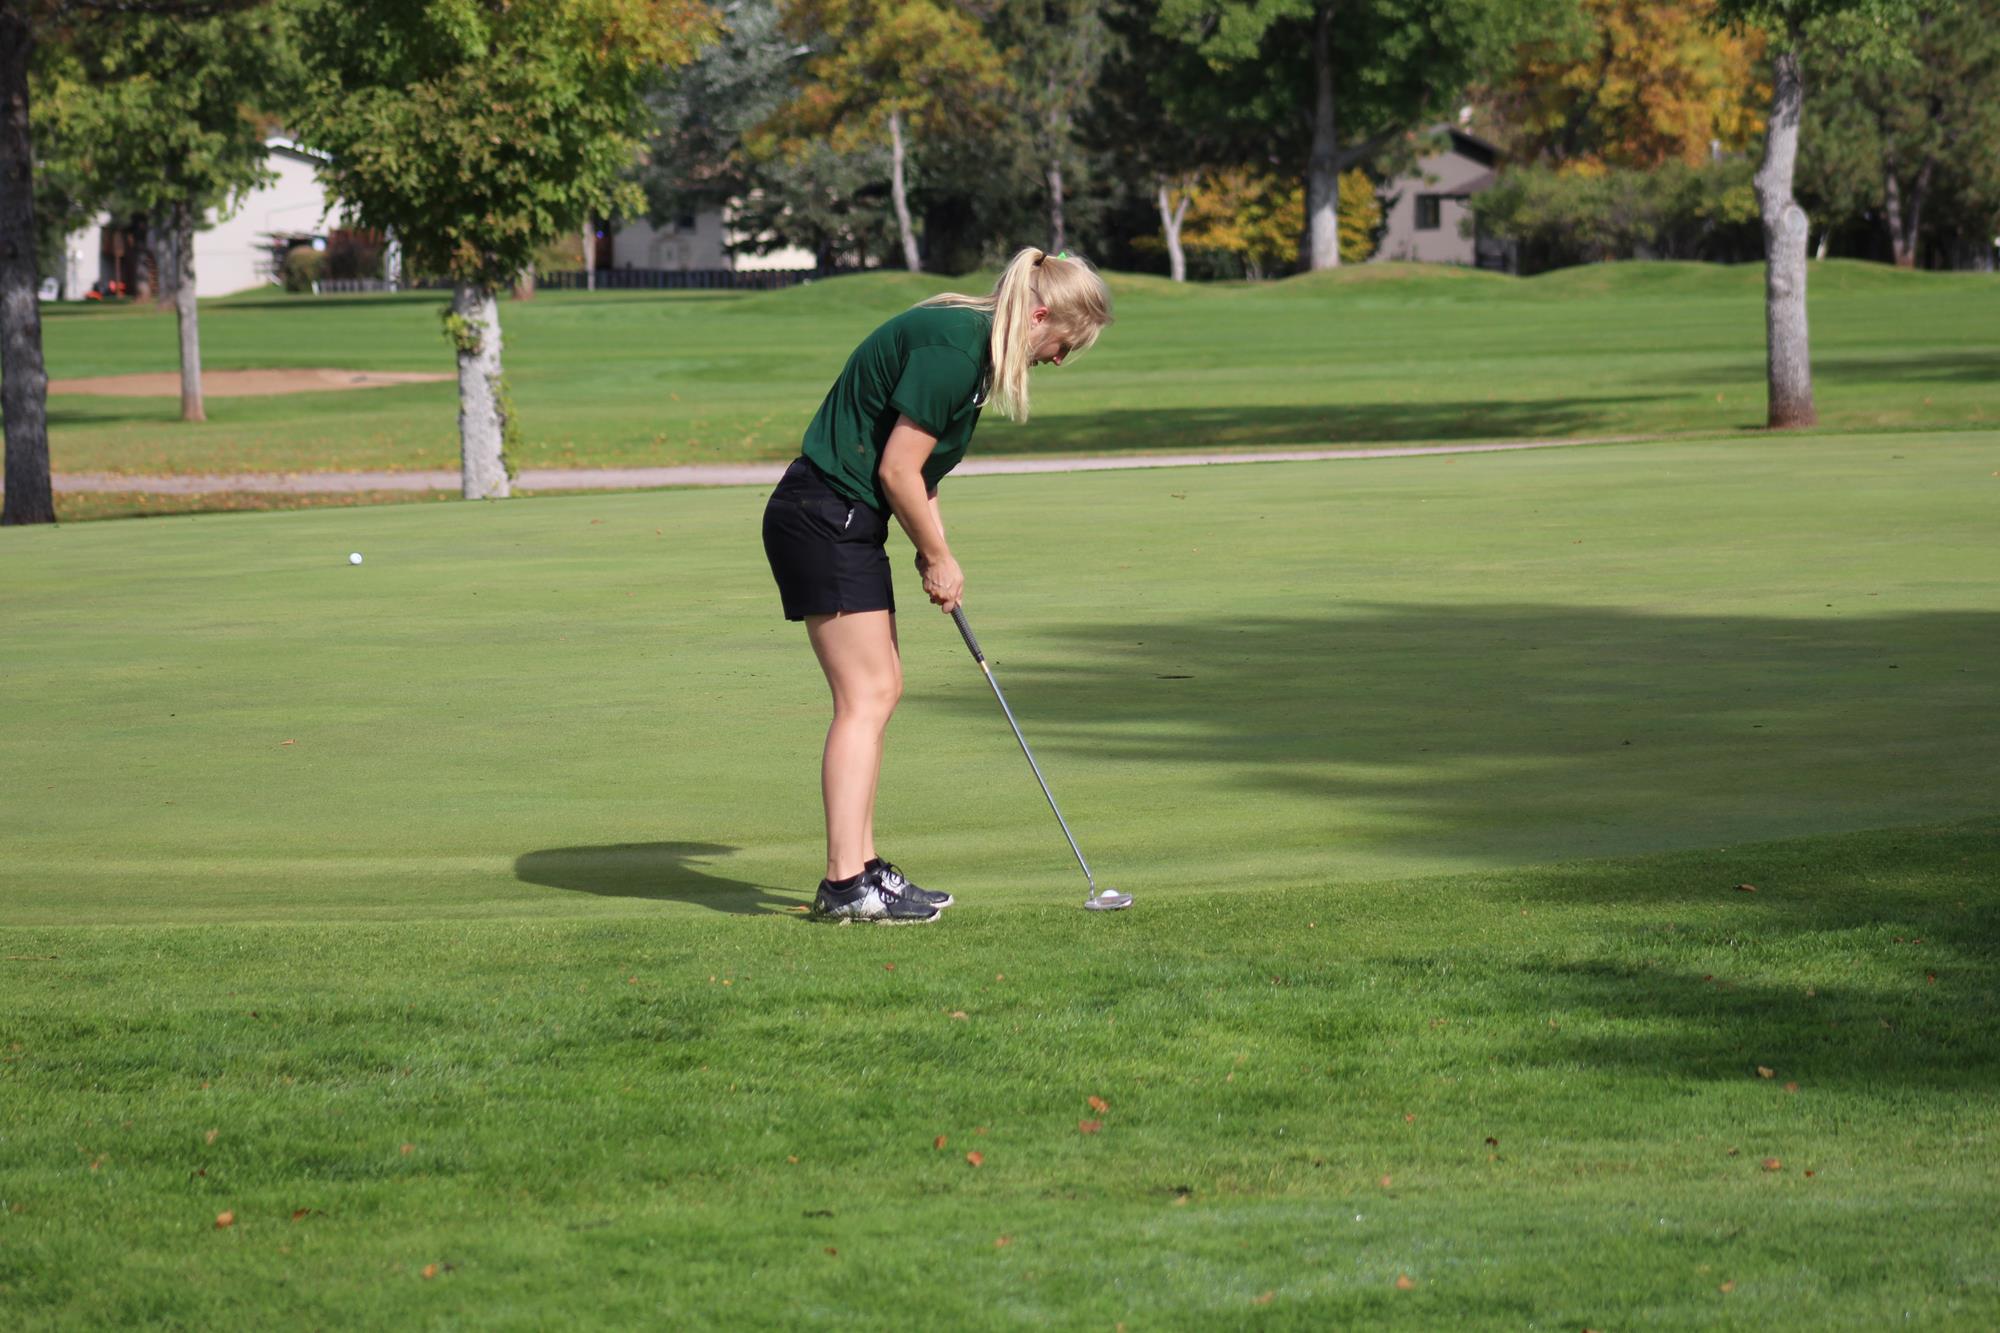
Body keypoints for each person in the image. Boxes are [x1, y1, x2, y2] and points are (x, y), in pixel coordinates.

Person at [762, 247, 1114, 923]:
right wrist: (937, 553)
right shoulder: (956, 349)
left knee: (881, 688)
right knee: (864, 695)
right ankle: (844, 884)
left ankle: (862, 869)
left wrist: (936, 552)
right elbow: (897, 470)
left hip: (843, 519)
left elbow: (916, 477)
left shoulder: (971, 352)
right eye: (1063, 343)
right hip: (824, 515)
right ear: (1038, 315)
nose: (1058, 360)